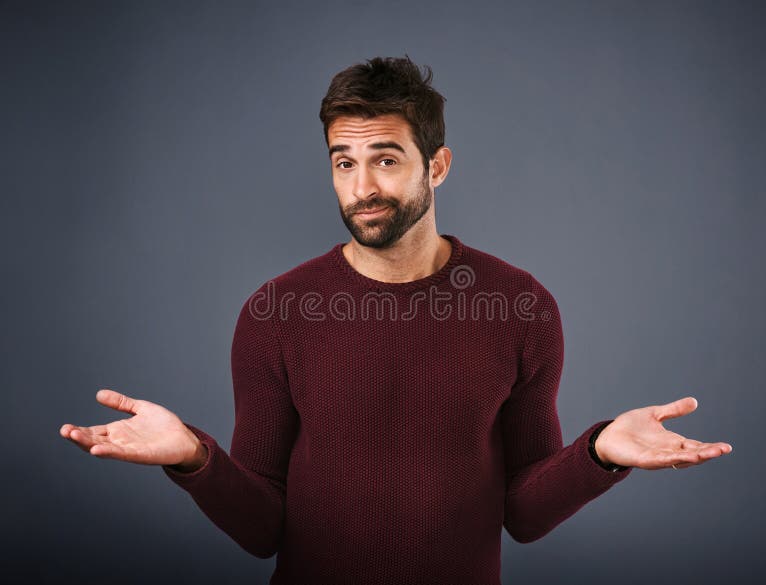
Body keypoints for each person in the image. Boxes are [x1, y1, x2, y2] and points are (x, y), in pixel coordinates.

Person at [60, 56, 732, 585]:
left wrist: (598, 451)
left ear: (436, 165)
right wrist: (193, 455)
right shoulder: (274, 313)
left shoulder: (522, 307)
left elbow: (523, 513)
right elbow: (264, 526)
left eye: (385, 159)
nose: (362, 188)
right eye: (343, 163)